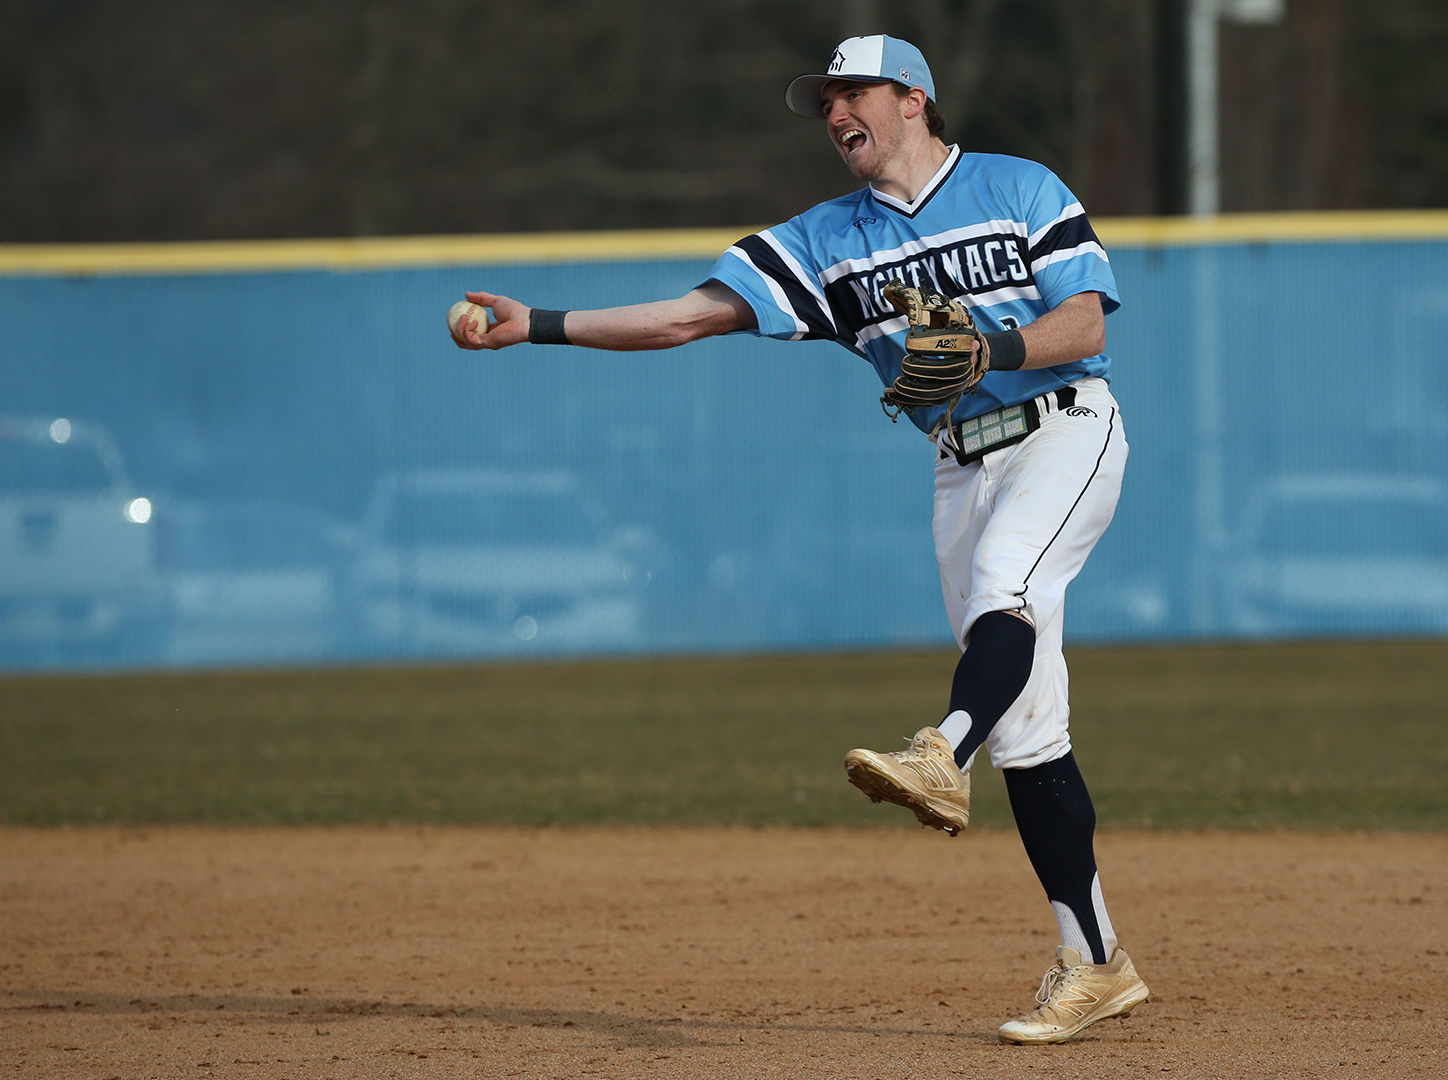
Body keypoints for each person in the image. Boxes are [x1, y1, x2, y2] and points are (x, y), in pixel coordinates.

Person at [451, 34, 1148, 1045]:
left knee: (1009, 584)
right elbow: (684, 319)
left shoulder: (1018, 187)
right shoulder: (826, 241)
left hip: (1065, 427)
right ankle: (1097, 963)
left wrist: (988, 348)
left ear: (914, 98)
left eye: (853, 92)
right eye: (825, 101)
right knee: (1029, 733)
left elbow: (1084, 325)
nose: (835, 113)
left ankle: (940, 751)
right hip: (960, 463)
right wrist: (543, 323)